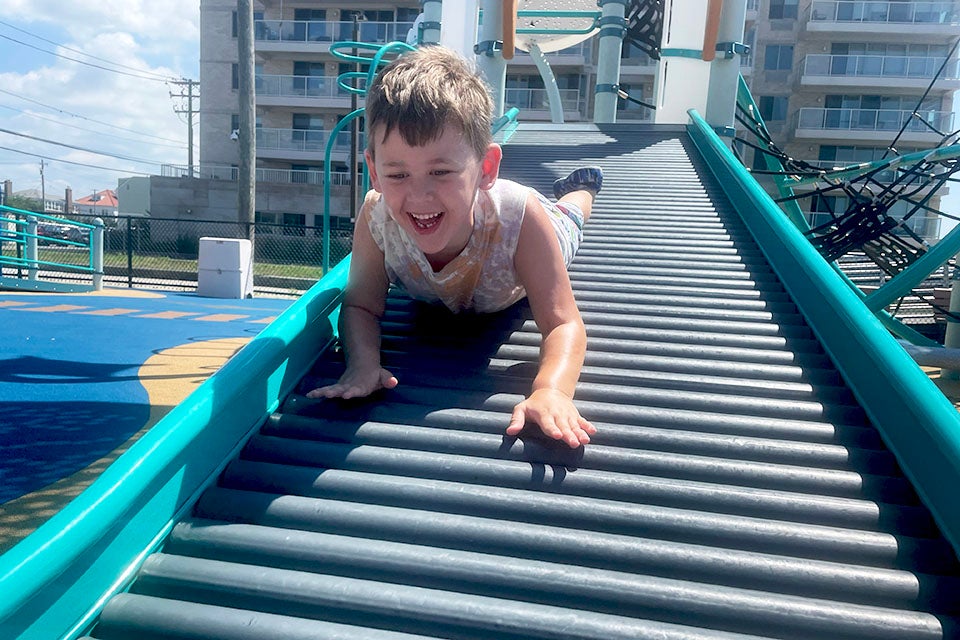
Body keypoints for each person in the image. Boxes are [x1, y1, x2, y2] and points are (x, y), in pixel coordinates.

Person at [307, 46, 602, 449]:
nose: (419, 195)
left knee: (570, 222)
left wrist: (552, 389)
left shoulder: (519, 218)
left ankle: (580, 190)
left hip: (526, 240)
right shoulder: (377, 218)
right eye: (398, 174)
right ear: (374, 171)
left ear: (485, 169)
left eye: (440, 171)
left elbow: (564, 323)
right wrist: (362, 365)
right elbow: (360, 306)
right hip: (457, 291)